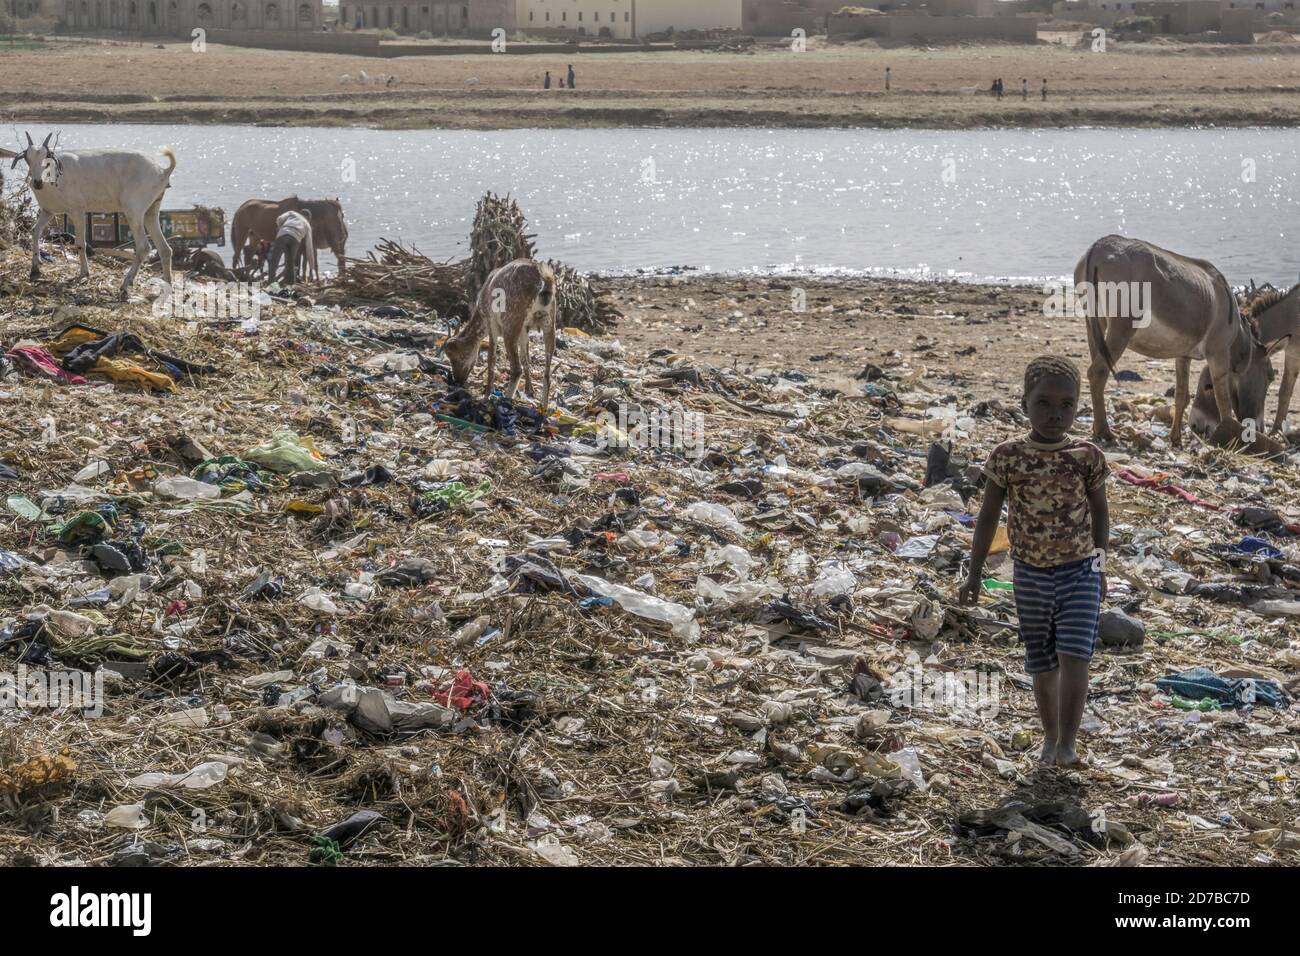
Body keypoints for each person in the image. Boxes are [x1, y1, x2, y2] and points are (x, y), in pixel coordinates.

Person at [959, 355, 1110, 769]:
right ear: (1024, 403)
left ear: (1078, 406)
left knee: (1075, 657)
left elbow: (1100, 513)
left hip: (1080, 572)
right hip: (1029, 576)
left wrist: (1099, 569)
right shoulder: (1008, 457)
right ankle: (1049, 737)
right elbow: (989, 516)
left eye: (1066, 405)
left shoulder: (1087, 456)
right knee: (1043, 663)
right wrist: (974, 574)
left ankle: (1068, 744)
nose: (1054, 414)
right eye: (1043, 403)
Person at [265, 209, 313, 286]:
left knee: (275, 260)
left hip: (284, 233)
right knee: (290, 263)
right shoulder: (307, 225)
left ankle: (270, 284)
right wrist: (311, 266)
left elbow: (279, 219)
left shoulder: (293, 213)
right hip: (296, 239)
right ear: (308, 218)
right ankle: (291, 284)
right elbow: (309, 247)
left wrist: (280, 227)